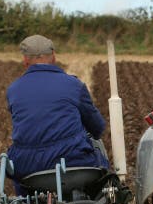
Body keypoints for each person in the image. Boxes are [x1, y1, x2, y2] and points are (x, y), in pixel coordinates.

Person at [6, 34, 108, 192]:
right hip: (72, 161)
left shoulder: (13, 90)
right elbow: (97, 128)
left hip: (28, 167)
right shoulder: (73, 85)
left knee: (19, 176)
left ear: (25, 60)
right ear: (53, 56)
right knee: (100, 158)